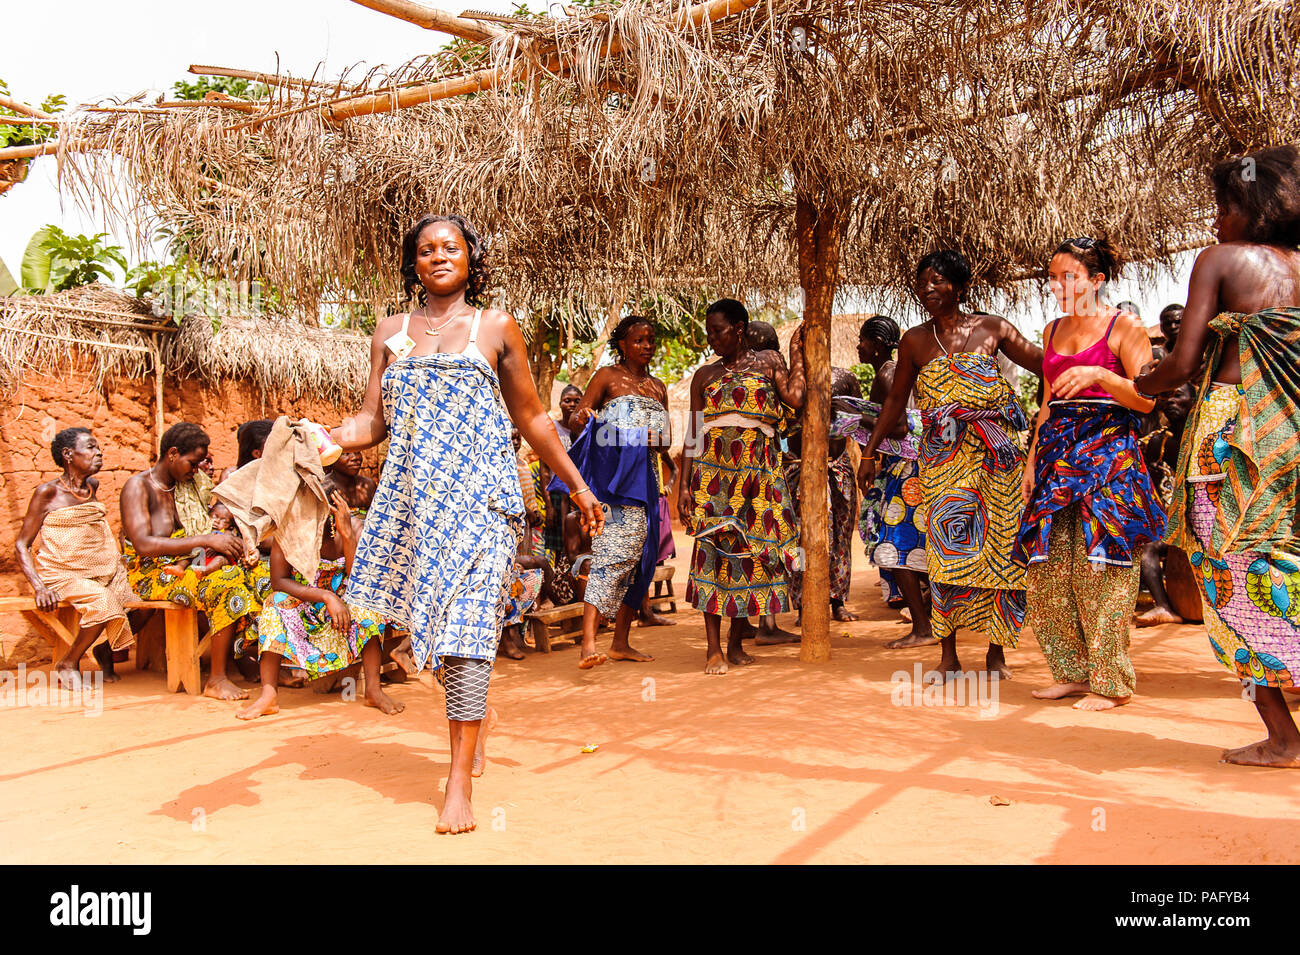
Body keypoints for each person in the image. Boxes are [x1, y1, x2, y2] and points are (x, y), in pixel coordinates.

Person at [331, 213, 603, 833]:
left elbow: (533, 418)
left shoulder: (496, 327)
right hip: (416, 506)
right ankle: (472, 720)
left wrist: (579, 485)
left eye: (449, 247)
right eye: (425, 250)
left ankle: (456, 782)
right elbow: (373, 423)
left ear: (470, 257)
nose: (437, 257)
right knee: (445, 635)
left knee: (468, 631)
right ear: (413, 264)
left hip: (481, 504)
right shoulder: (390, 331)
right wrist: (327, 437)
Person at [1133, 145, 1300, 768]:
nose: (1215, 220)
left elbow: (1181, 364)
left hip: (1232, 439)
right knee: (1289, 562)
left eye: (1222, 207)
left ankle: (1283, 737)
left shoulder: (1222, 260)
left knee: (1227, 571)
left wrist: (1136, 387)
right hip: (1291, 437)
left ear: (1251, 208)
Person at [862, 250, 1042, 681]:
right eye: (922, 281)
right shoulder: (914, 341)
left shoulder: (992, 327)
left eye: (938, 280)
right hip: (943, 461)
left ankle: (996, 654)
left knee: (1001, 552)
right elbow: (893, 401)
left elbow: (1046, 364)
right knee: (945, 553)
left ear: (960, 287)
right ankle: (949, 655)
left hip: (996, 456)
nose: (928, 288)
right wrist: (869, 452)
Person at [1018, 237, 1166, 710]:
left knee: (1103, 568)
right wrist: (1030, 463)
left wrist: (1101, 377)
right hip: (1056, 458)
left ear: (1096, 280)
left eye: (1069, 277)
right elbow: (1046, 403)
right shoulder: (1051, 330)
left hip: (1109, 459)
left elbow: (1147, 400)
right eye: (1053, 277)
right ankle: (1073, 672)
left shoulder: (1125, 327)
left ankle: (1111, 682)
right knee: (1048, 572)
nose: (1058, 286)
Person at [679, 299, 805, 674]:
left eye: (717, 331)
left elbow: (796, 399)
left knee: (753, 557)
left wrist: (796, 353)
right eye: (709, 332)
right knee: (714, 554)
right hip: (714, 477)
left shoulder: (768, 364)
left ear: (739, 328)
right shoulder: (704, 375)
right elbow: (691, 433)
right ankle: (713, 649)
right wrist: (683, 486)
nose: (712, 339)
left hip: (760, 476)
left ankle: (736, 644)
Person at [236, 481, 403, 719]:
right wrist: (325, 596)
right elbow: (279, 581)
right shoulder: (288, 530)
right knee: (274, 604)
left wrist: (346, 535)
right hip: (305, 603)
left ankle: (373, 690)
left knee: (369, 604)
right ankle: (268, 695)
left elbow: (360, 578)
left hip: (344, 605)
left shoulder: (354, 527)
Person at [120, 422, 258, 700]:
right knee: (226, 584)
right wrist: (205, 540)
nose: (196, 470)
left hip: (189, 565)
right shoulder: (138, 487)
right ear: (172, 453)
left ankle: (249, 661)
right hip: (151, 574)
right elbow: (143, 545)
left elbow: (222, 512)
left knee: (259, 578)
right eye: (192, 463)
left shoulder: (189, 486)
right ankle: (216, 679)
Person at [564, 315, 671, 667]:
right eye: (639, 340)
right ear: (622, 344)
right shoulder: (607, 377)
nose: (647, 346)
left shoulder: (658, 386)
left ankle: (621, 643)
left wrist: (641, 438)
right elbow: (578, 418)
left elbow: (665, 439)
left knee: (642, 561)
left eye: (651, 340)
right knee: (611, 555)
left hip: (646, 481)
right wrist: (586, 419)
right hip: (613, 482)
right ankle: (589, 644)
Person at [14, 428, 133, 683]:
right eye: (91, 447)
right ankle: (69, 662)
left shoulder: (92, 486)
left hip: (101, 571)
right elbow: (22, 544)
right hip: (61, 574)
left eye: (98, 447)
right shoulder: (47, 493)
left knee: (141, 602)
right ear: (68, 454)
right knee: (104, 603)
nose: (98, 452)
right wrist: (39, 587)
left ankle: (104, 651)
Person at [846, 315, 933, 648]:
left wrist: (852, 417)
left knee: (893, 546)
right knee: (914, 546)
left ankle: (923, 627)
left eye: (863, 341)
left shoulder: (886, 374)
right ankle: (928, 618)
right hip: (911, 466)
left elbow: (897, 427)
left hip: (905, 469)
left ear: (878, 345)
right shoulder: (893, 371)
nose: (859, 346)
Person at [786, 368, 860, 622]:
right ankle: (803, 604)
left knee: (840, 537)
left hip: (837, 465)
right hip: (798, 467)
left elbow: (857, 420)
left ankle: (837, 601)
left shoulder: (844, 378)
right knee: (799, 540)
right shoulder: (791, 382)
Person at [329, 450, 377, 517]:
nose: (355, 457)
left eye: (357, 452)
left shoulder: (368, 485)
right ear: (331, 459)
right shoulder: (325, 487)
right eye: (346, 454)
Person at [554, 384, 583, 448]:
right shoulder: (552, 428)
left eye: (577, 401)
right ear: (560, 404)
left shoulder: (587, 431)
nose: (572, 404)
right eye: (567, 401)